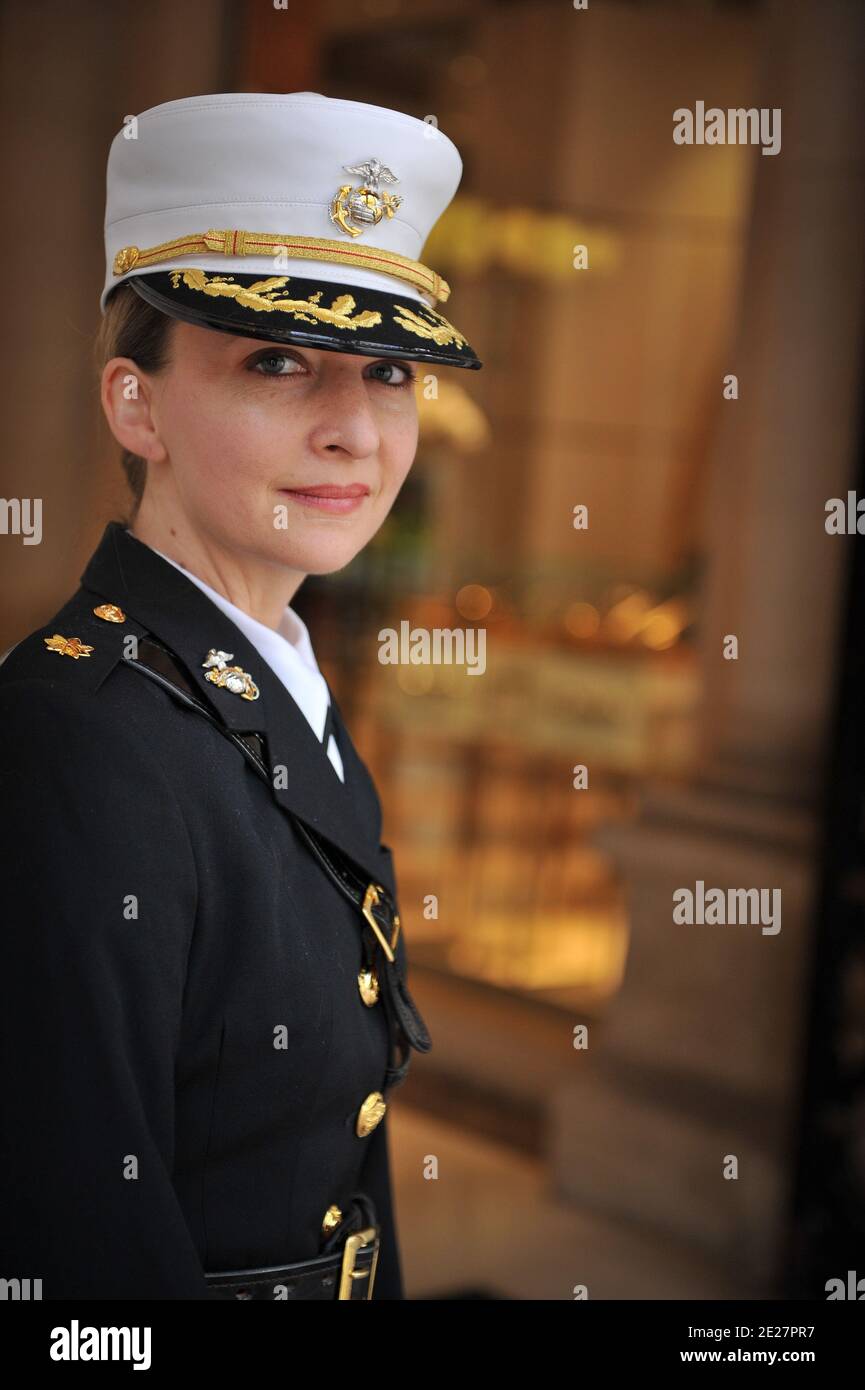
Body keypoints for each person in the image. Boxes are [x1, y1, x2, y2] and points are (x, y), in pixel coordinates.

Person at [0, 91, 482, 1301]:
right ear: (136, 403)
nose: (354, 431)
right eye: (277, 361)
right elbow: (75, 1249)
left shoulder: (275, 683)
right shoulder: (77, 739)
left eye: (387, 371)